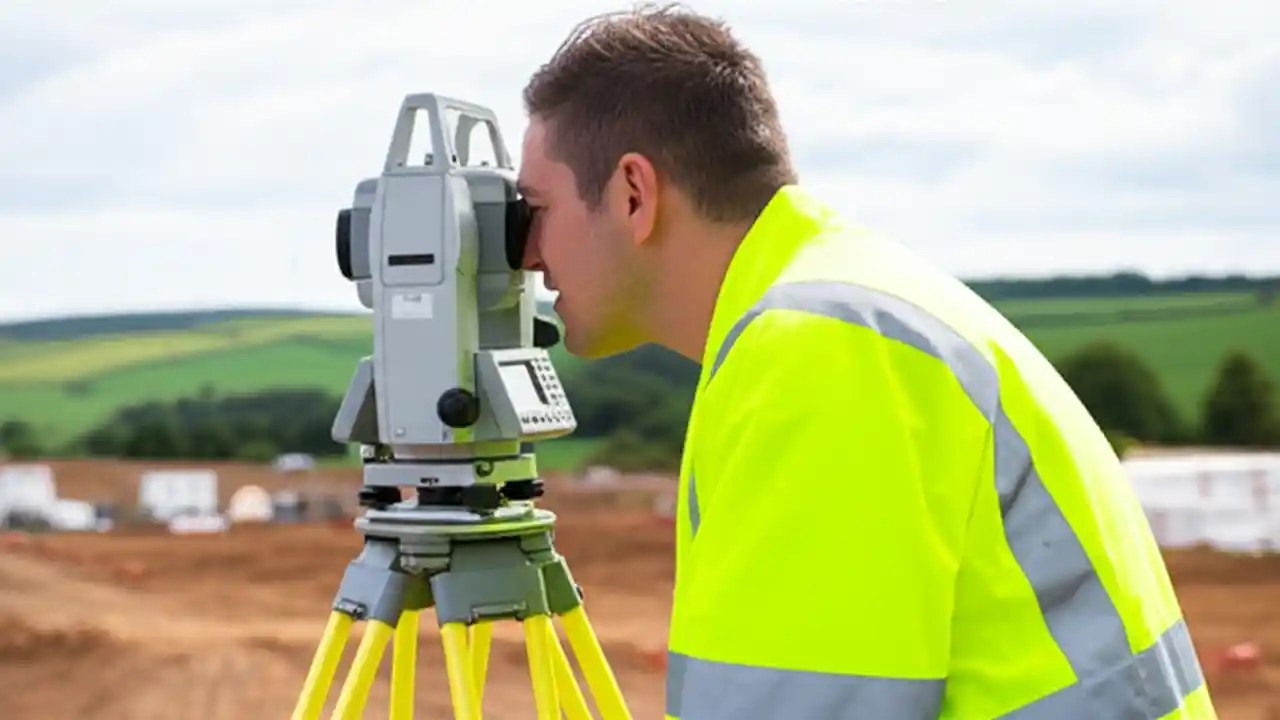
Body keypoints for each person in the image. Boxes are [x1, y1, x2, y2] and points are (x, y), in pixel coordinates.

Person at [516, 5, 1216, 719]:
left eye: (534, 211)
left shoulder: (816, 353)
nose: (528, 254)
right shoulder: (847, 307)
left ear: (634, 194)